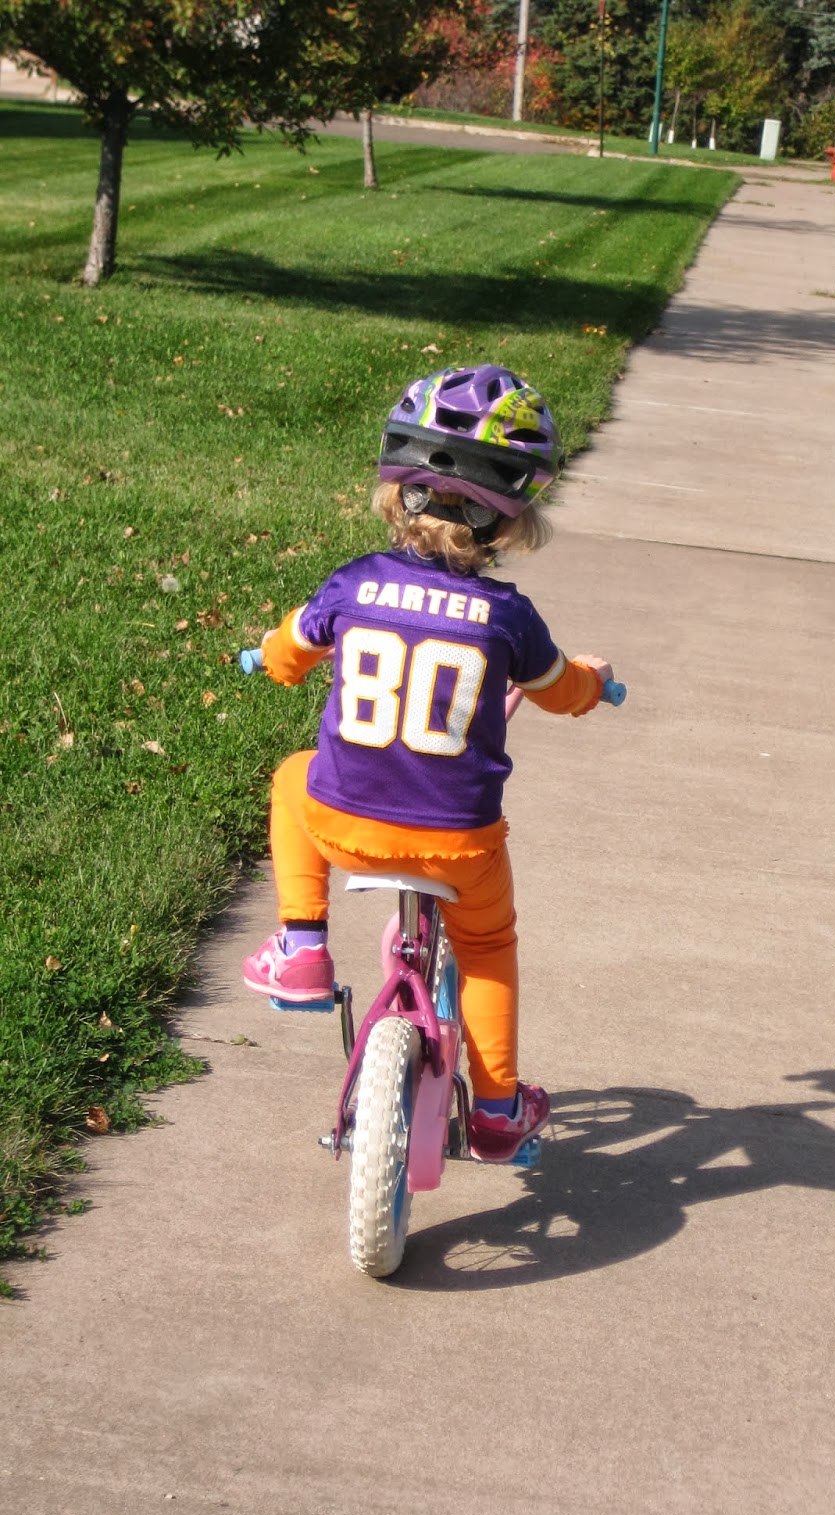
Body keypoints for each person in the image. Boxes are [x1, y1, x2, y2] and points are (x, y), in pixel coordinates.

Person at [242, 365, 614, 1162]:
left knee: (288, 777)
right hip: (458, 845)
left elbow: (288, 653)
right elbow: (561, 691)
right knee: (488, 949)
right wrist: (594, 686)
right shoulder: (511, 619)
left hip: (348, 825)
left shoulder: (352, 586)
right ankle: (499, 1110)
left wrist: (268, 658)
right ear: (507, 519)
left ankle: (302, 947)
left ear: (397, 492)